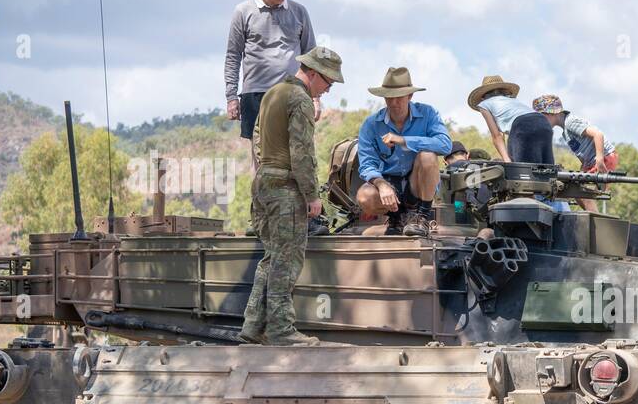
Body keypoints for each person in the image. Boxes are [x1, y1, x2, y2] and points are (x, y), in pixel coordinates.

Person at [237, 46, 342, 346]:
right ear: (312, 73)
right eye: (328, 81)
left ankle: (253, 326)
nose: (329, 87)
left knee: (271, 258)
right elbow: (302, 151)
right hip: (286, 189)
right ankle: (282, 330)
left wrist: (267, 172)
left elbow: (257, 140)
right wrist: (312, 195)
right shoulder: (300, 99)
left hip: (263, 184)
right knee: (287, 261)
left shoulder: (272, 93)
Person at [224, 0, 317, 152]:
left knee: (296, 153)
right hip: (256, 94)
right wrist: (231, 97)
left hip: (294, 94)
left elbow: (311, 56)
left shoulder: (299, 12)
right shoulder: (243, 11)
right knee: (261, 156)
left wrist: (315, 98)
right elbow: (233, 56)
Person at [355, 67, 453, 236]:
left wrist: (404, 141)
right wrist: (381, 184)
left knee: (428, 156)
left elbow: (445, 145)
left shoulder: (428, 114)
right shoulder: (371, 125)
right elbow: (367, 164)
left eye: (399, 98)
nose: (394, 103)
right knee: (364, 196)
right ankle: (397, 218)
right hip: (388, 184)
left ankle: (421, 217)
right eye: (389, 98)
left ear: (410, 96)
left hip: (417, 182)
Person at [531, 94, 616, 211]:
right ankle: (591, 215)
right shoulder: (565, 132)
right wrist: (584, 166)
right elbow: (582, 150)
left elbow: (598, 134)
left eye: (542, 116)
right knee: (575, 190)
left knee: (583, 193)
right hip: (592, 161)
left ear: (551, 113)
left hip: (603, 158)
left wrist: (600, 159)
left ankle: (594, 221)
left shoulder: (570, 122)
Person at [469, 75, 554, 165]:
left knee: (523, 172)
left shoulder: (484, 104)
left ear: (483, 96)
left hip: (522, 126)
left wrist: (507, 160)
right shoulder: (512, 100)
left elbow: (497, 136)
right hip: (543, 122)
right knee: (548, 170)